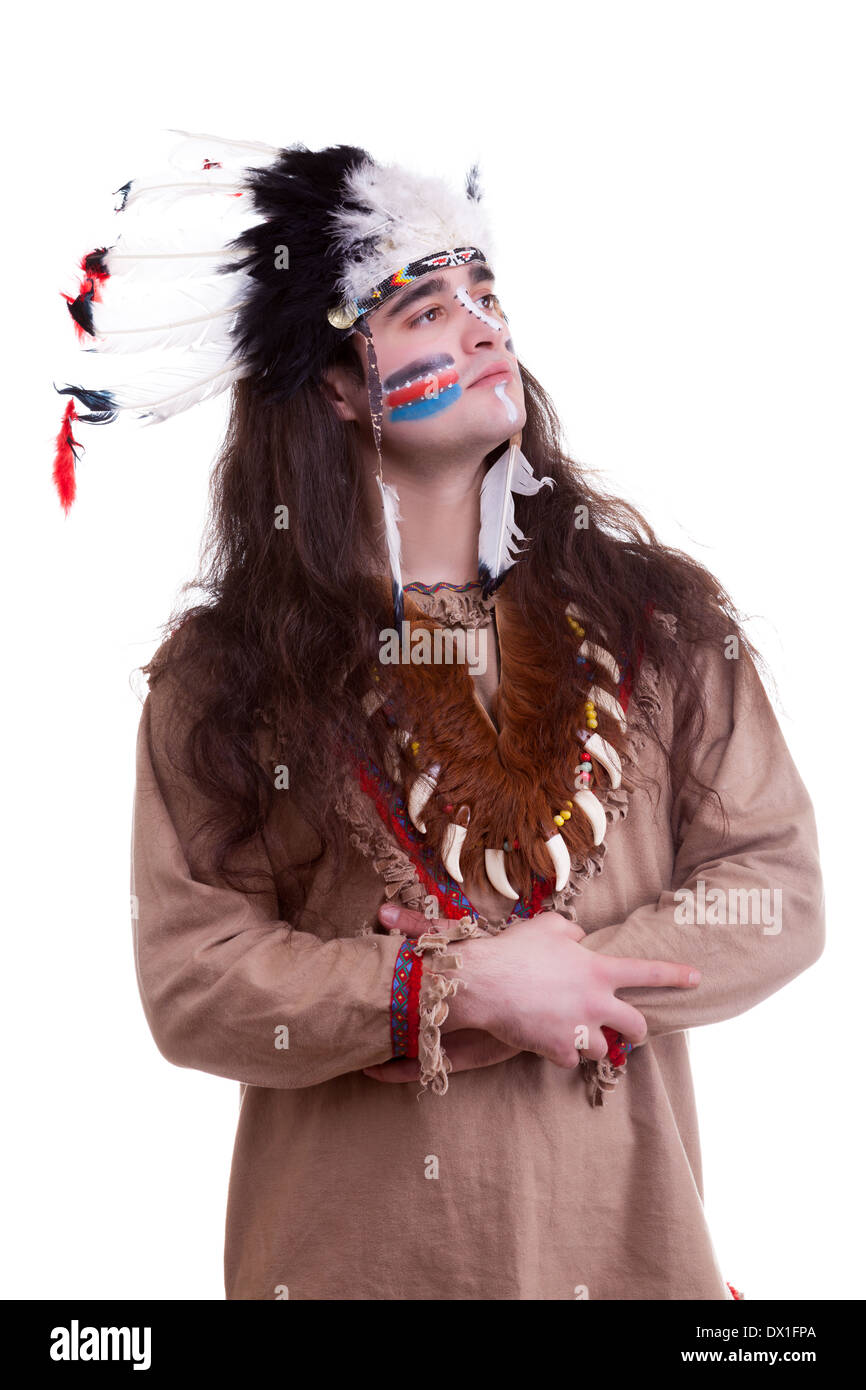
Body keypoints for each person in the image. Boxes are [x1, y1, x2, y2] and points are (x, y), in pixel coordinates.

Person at [57, 132, 825, 1300]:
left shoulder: (655, 623)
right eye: (424, 310)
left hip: (623, 1256)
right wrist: (445, 993)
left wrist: (562, 979)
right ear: (337, 382)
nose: (483, 328)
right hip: (350, 1264)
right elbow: (194, 977)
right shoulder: (225, 674)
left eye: (486, 297)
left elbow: (773, 886)